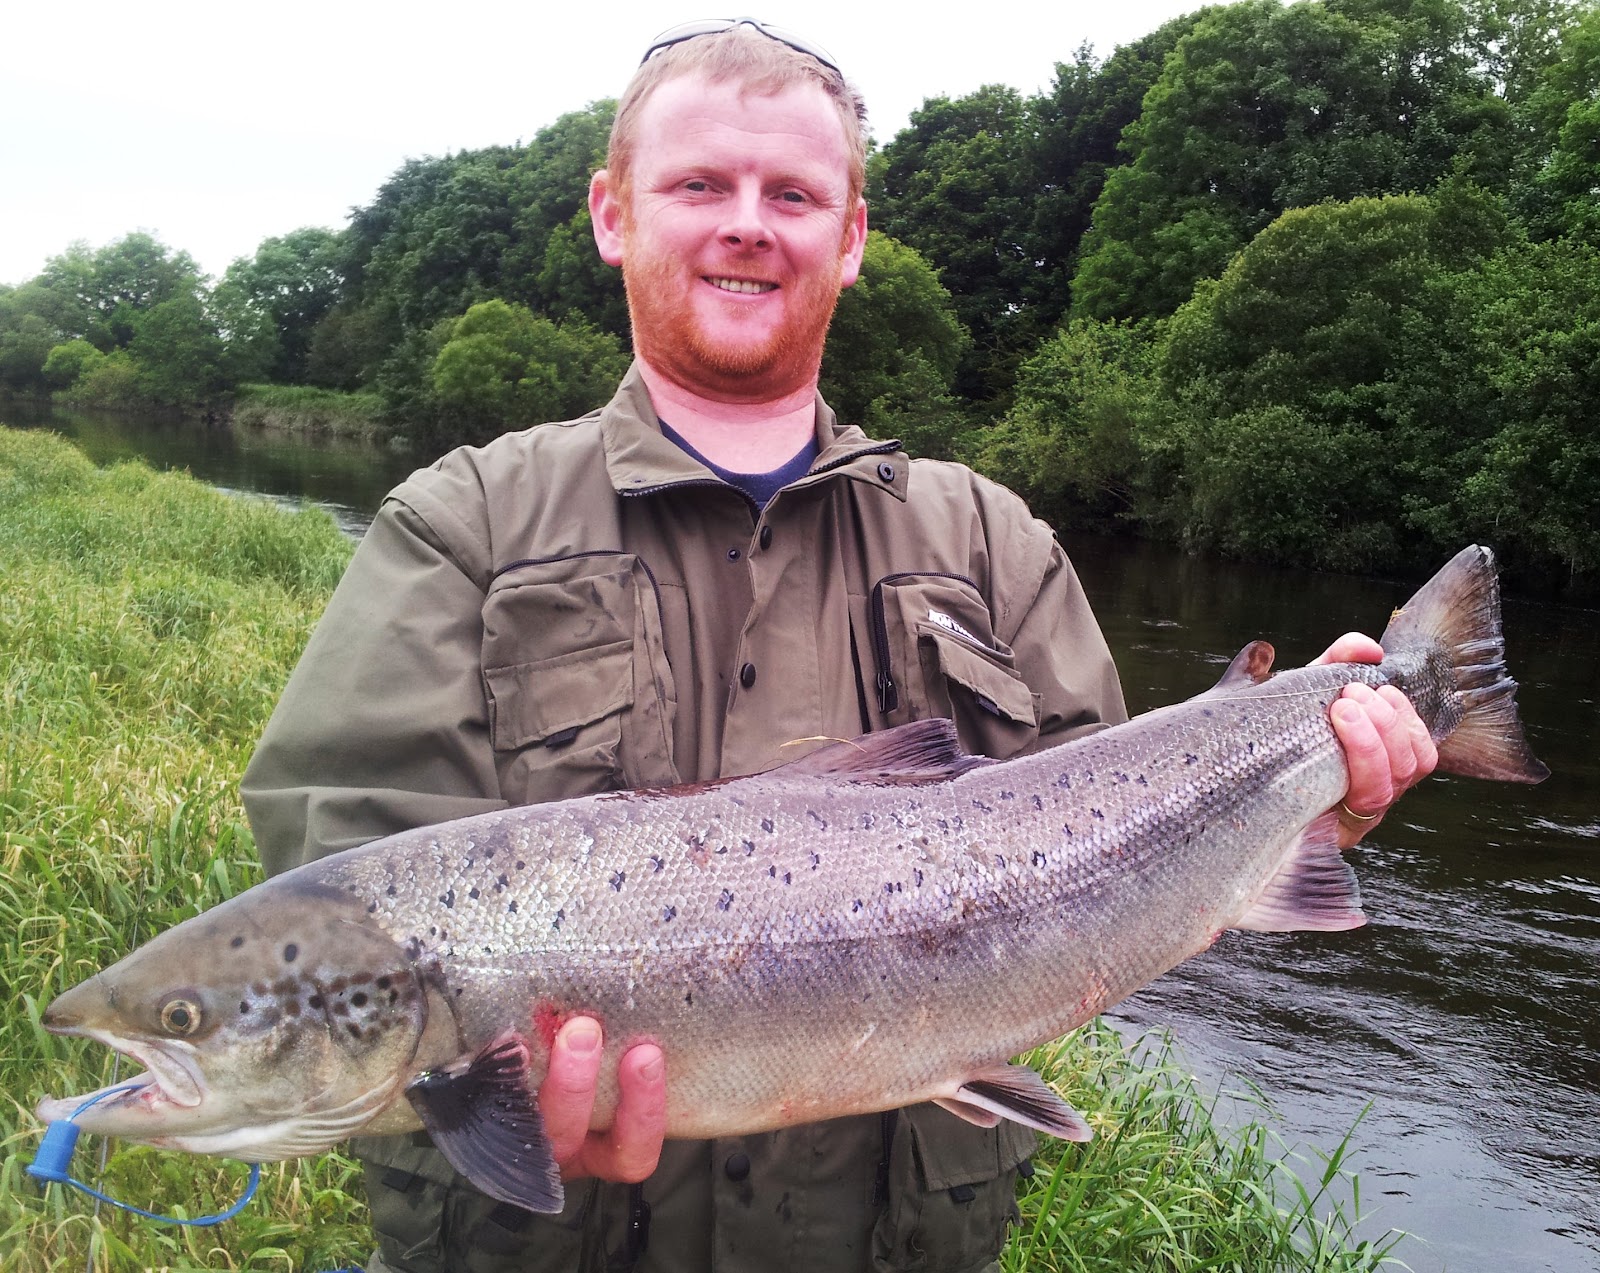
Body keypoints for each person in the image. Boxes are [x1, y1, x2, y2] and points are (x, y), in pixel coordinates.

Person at [241, 18, 1437, 1273]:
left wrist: (1306, 786)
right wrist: (480, 1074)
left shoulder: (993, 540)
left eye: (792, 195)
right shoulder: (463, 523)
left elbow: (1128, 848)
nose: (745, 224)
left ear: (851, 237)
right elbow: (346, 874)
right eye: (699, 184)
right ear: (612, 215)